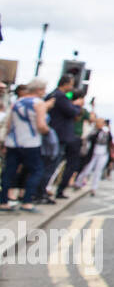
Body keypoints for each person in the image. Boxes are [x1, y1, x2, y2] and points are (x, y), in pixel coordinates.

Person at [0, 81, 50, 212]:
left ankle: (3, 201)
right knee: (36, 171)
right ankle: (27, 202)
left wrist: (5, 141)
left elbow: (9, 124)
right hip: (31, 143)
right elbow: (41, 125)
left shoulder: (17, 102)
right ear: (39, 90)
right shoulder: (39, 103)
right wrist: (47, 131)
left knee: (9, 172)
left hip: (13, 142)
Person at [74, 117, 112, 195]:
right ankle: (78, 183)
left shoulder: (107, 132)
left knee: (98, 171)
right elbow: (89, 138)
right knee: (87, 168)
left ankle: (94, 188)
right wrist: (98, 131)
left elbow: (110, 140)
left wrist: (108, 130)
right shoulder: (94, 131)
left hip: (103, 153)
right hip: (93, 153)